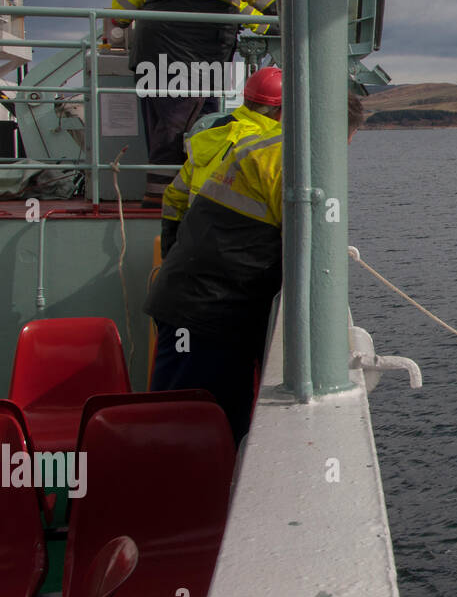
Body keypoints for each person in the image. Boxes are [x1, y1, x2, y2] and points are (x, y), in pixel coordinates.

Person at [146, 92, 367, 441]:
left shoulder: (263, 148)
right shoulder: (299, 164)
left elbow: (179, 206)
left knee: (207, 422)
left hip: (200, 304)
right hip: (209, 313)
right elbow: (312, 254)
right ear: (347, 134)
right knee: (185, 430)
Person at [116, 0, 278, 209]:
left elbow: (119, 12)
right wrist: (285, 15)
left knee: (166, 122)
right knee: (187, 124)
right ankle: (162, 197)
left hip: (152, 54)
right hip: (190, 56)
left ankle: (169, 190)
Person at [159, 65, 283, 258]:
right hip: (241, 251)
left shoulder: (210, 135)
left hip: (195, 244)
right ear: (281, 111)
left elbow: (174, 197)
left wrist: (170, 251)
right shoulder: (269, 147)